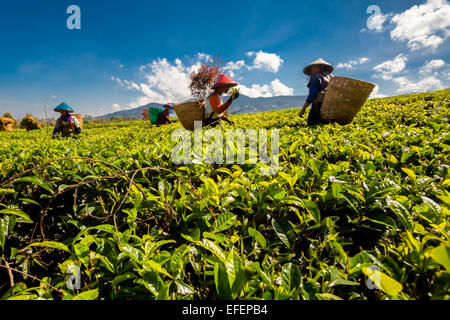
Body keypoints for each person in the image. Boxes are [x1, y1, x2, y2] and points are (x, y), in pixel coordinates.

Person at [298, 58, 333, 125]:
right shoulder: (330, 77)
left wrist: (303, 109)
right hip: (330, 107)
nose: (312, 70)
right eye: (311, 69)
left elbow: (313, 94)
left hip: (318, 106)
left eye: (314, 68)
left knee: (312, 124)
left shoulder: (314, 76)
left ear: (321, 67)